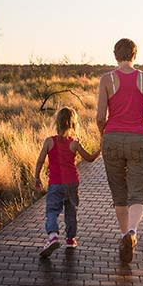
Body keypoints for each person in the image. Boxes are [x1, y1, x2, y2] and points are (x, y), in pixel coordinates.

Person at [96, 38, 143, 264]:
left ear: (115, 55)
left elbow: (100, 117)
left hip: (112, 138)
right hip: (140, 139)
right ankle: (132, 232)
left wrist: (103, 135)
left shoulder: (106, 79)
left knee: (119, 193)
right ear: (135, 55)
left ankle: (124, 234)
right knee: (138, 193)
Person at [33, 107, 100, 258]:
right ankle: (70, 239)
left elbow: (40, 160)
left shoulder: (49, 141)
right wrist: (100, 150)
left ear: (57, 122)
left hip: (56, 183)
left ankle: (53, 236)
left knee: (52, 210)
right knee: (71, 211)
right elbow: (89, 158)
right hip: (72, 183)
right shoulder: (74, 143)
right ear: (73, 124)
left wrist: (37, 177)